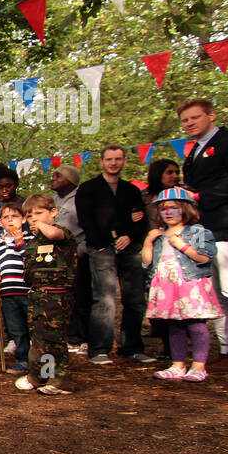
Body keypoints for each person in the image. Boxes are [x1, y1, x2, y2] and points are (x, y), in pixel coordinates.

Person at [177, 99, 228, 372]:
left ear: (211, 115)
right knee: (215, 294)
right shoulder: (194, 150)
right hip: (203, 231)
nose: (189, 123)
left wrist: (200, 196)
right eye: (185, 120)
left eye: (195, 117)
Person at [75, 145, 154, 365]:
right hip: (101, 248)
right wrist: (105, 241)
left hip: (130, 247)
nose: (113, 163)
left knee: (135, 299)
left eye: (118, 159)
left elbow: (140, 220)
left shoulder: (131, 190)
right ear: (101, 162)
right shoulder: (88, 189)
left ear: (124, 161)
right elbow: (86, 221)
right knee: (105, 298)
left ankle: (132, 347)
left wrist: (128, 235)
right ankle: (99, 349)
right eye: (109, 159)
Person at [142, 187, 219, 381]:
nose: (167, 212)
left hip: (190, 285)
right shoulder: (159, 234)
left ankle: (199, 366)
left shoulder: (197, 231)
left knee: (196, 325)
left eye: (173, 207)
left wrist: (181, 245)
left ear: (185, 208)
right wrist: (148, 242)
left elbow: (205, 258)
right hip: (167, 286)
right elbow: (146, 262)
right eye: (163, 209)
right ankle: (177, 365)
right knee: (174, 326)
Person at [14, 193, 77, 395]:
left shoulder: (62, 234)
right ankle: (41, 376)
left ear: (53, 212)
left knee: (54, 339)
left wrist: (41, 225)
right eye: (30, 216)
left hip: (57, 297)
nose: (34, 219)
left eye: (39, 213)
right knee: (40, 339)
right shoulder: (35, 242)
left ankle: (62, 379)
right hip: (38, 296)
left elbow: (54, 235)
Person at [141, 158, 181, 361]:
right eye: (169, 172)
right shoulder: (145, 197)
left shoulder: (184, 195)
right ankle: (166, 346)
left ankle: (179, 347)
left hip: (180, 250)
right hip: (153, 251)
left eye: (176, 172)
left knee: (178, 298)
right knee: (158, 299)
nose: (175, 176)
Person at [50, 164, 92, 355]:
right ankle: (71, 337)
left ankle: (85, 339)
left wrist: (79, 251)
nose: (53, 178)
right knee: (63, 299)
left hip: (77, 256)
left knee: (81, 298)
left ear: (71, 179)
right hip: (56, 259)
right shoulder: (52, 201)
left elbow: (87, 228)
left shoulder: (81, 199)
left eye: (58, 176)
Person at [0, 203, 30, 372]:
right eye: (6, 217)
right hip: (8, 291)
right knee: (16, 328)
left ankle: (40, 359)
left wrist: (19, 241)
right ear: (1, 222)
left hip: (27, 291)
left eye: (15, 216)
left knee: (33, 326)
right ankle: (24, 359)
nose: (10, 220)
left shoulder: (30, 238)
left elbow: (29, 257)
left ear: (24, 219)